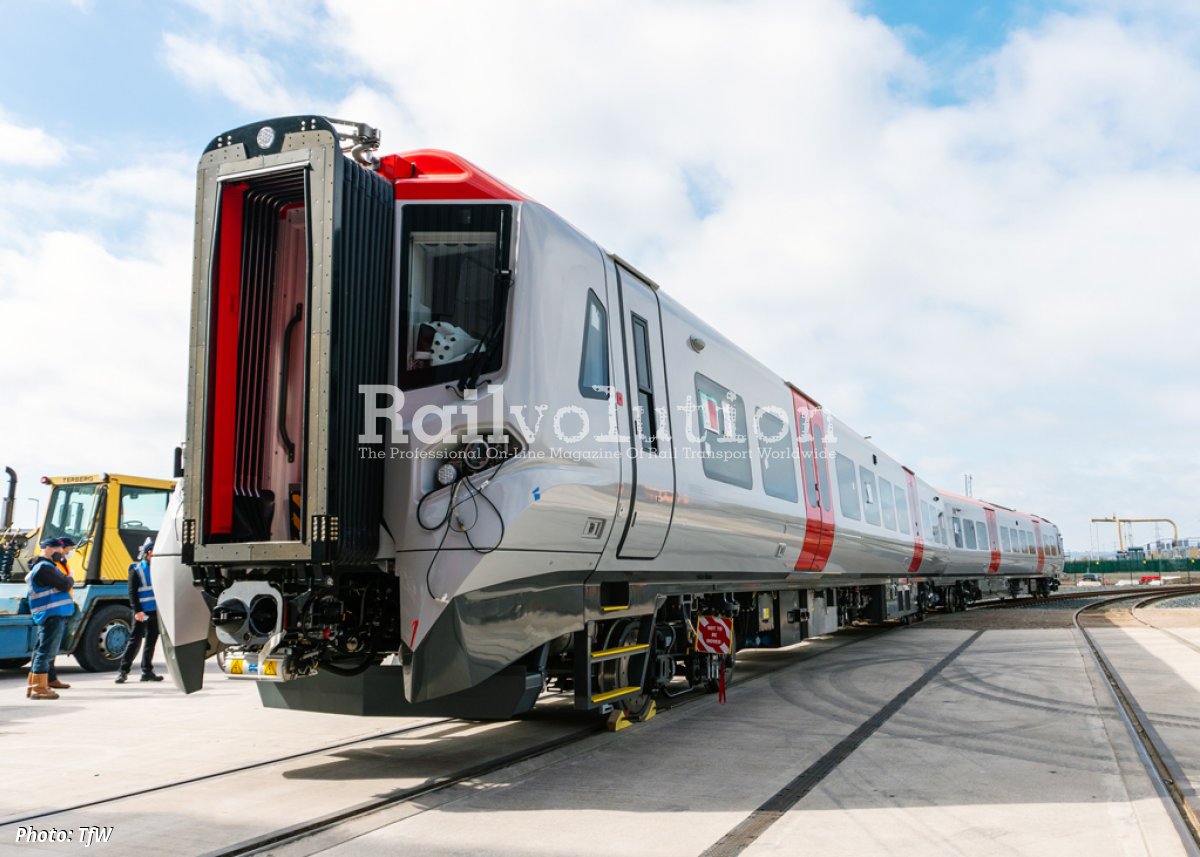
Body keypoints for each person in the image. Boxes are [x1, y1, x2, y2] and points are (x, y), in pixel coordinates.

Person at [26, 537, 77, 700]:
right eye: (58, 550)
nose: (61, 553)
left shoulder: (44, 567)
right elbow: (64, 585)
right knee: (45, 652)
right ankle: (39, 688)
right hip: (52, 613)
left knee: (42, 650)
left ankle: (35, 685)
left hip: (50, 613)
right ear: (47, 549)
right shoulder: (44, 568)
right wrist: (70, 578)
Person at [116, 537, 163, 683]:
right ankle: (123, 672)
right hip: (141, 612)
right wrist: (137, 611)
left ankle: (147, 671)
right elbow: (132, 593)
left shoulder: (158, 568)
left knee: (151, 642)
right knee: (134, 641)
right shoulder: (136, 570)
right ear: (149, 552)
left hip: (155, 611)